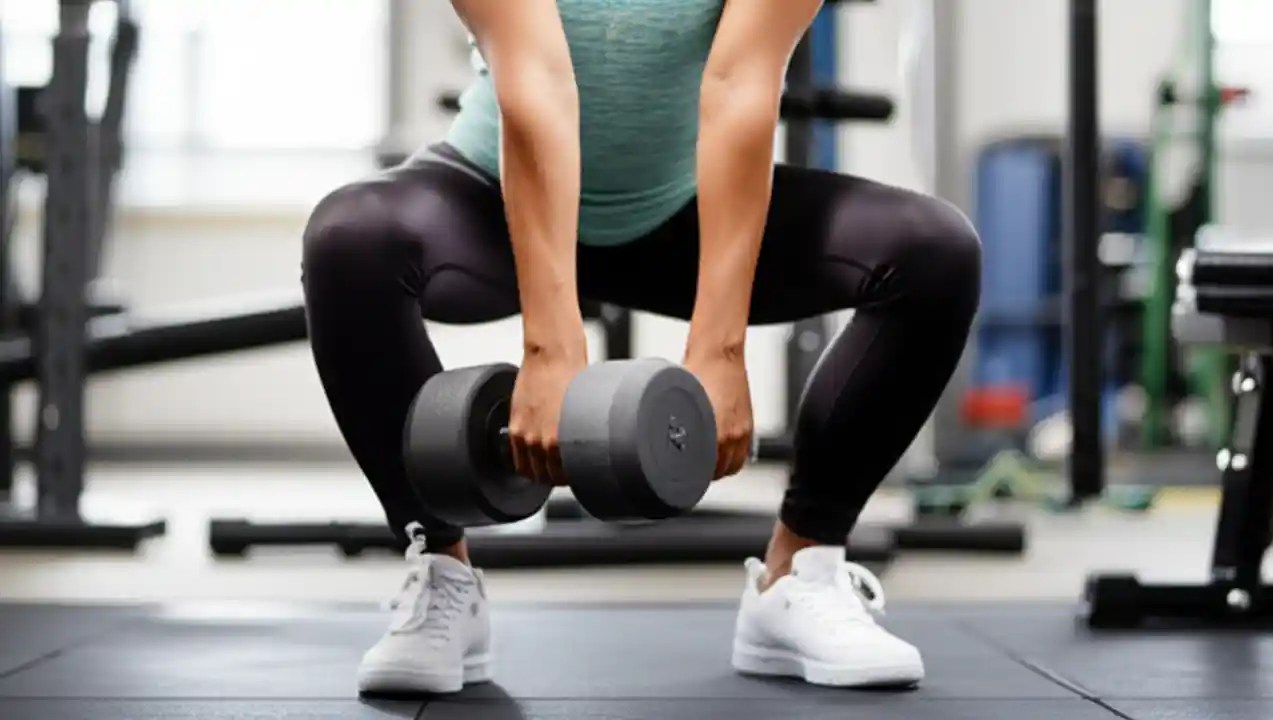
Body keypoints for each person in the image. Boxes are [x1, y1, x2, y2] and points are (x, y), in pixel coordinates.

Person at [301, 0, 980, 697]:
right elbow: (535, 75)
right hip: (493, 199)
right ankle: (443, 572)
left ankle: (799, 571)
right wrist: (549, 345)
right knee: (350, 240)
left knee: (932, 253)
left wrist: (720, 350)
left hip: (681, 204)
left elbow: (741, 80)